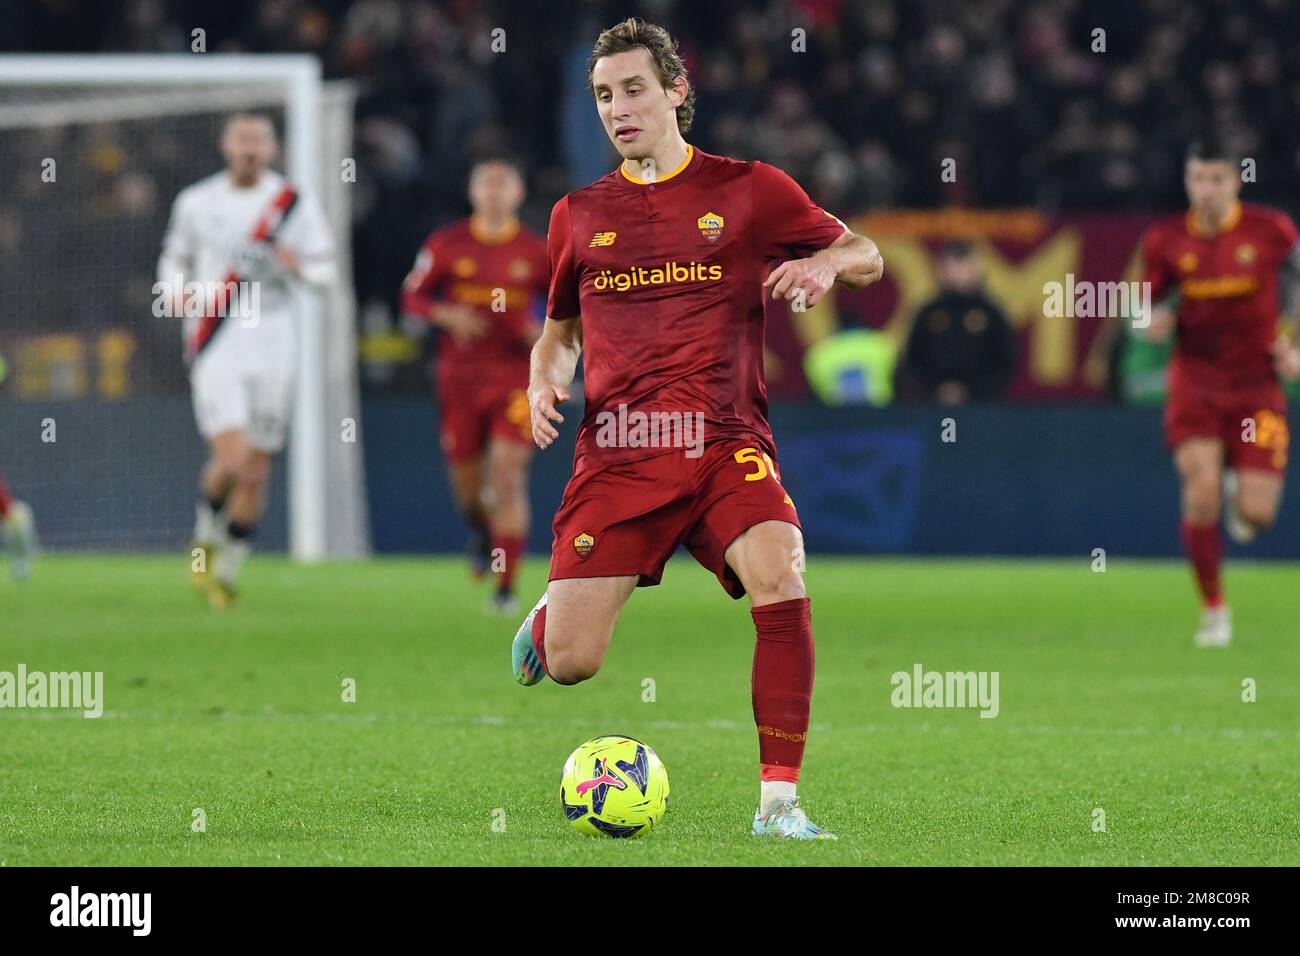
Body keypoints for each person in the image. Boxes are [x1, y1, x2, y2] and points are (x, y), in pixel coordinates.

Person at [510, 18, 883, 839]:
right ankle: (549, 617)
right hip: (618, 453)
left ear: (679, 91)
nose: (619, 109)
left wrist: (823, 263)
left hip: (723, 440)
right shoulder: (578, 214)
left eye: (635, 89)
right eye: (604, 96)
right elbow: (560, 329)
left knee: (781, 571)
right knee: (573, 664)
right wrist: (544, 382)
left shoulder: (750, 190)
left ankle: (779, 807)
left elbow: (867, 253)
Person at [158, 114, 336, 608]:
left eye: (259, 140)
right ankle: (203, 542)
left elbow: (326, 271)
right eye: (242, 139)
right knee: (232, 459)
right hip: (217, 339)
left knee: (256, 470)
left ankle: (227, 570)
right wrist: (174, 292)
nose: (251, 148)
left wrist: (299, 267)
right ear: (225, 145)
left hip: (275, 340)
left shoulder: (293, 204)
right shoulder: (197, 202)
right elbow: (174, 256)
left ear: (273, 148)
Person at [1141, 134, 1300, 646]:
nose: (1205, 190)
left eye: (1215, 179)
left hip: (1257, 386)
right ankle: (1213, 608)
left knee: (1258, 514)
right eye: (1196, 179)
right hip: (1196, 383)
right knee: (1200, 492)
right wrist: (1149, 322)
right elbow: (1142, 302)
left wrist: (1294, 342)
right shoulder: (1165, 239)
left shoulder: (1270, 229)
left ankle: (1241, 493)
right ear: (1187, 181)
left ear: (1235, 181)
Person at [401, 157, 548, 613]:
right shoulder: (447, 244)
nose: (495, 192)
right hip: (459, 379)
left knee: (506, 476)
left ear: (518, 194)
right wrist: (446, 314)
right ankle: (483, 533)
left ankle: (505, 591)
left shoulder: (536, 251)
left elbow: (572, 308)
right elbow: (413, 295)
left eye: (504, 184)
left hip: (514, 378)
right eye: (487, 184)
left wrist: (540, 329)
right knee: (468, 490)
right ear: (473, 192)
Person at [895, 240, 1017, 405]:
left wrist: (971, 390)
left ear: (977, 268)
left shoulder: (991, 313)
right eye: (953, 265)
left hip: (981, 406)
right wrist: (937, 389)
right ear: (942, 269)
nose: (959, 272)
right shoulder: (928, 312)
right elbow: (912, 359)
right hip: (934, 405)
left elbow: (1005, 362)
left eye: (964, 265)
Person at [0, 472, 37, 581]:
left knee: (23, 512)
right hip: (6, 514)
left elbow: (4, 502)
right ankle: (22, 561)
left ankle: (22, 561)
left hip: (7, 514)